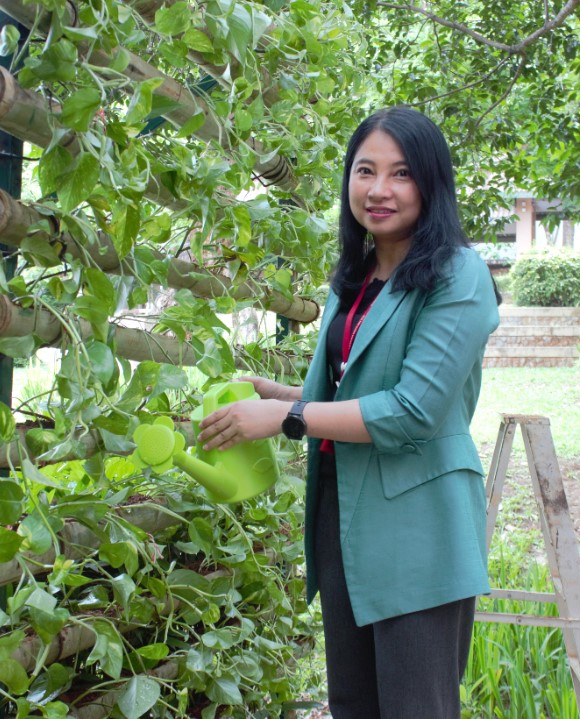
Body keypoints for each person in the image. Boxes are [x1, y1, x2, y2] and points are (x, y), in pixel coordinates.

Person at [197, 106, 500, 718]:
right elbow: (349, 393)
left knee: (416, 707)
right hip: (344, 513)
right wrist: (278, 396)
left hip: (419, 527)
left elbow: (413, 410)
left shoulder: (458, 274)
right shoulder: (354, 277)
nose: (379, 190)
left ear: (431, 183)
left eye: (401, 173)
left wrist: (288, 418)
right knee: (354, 704)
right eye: (366, 171)